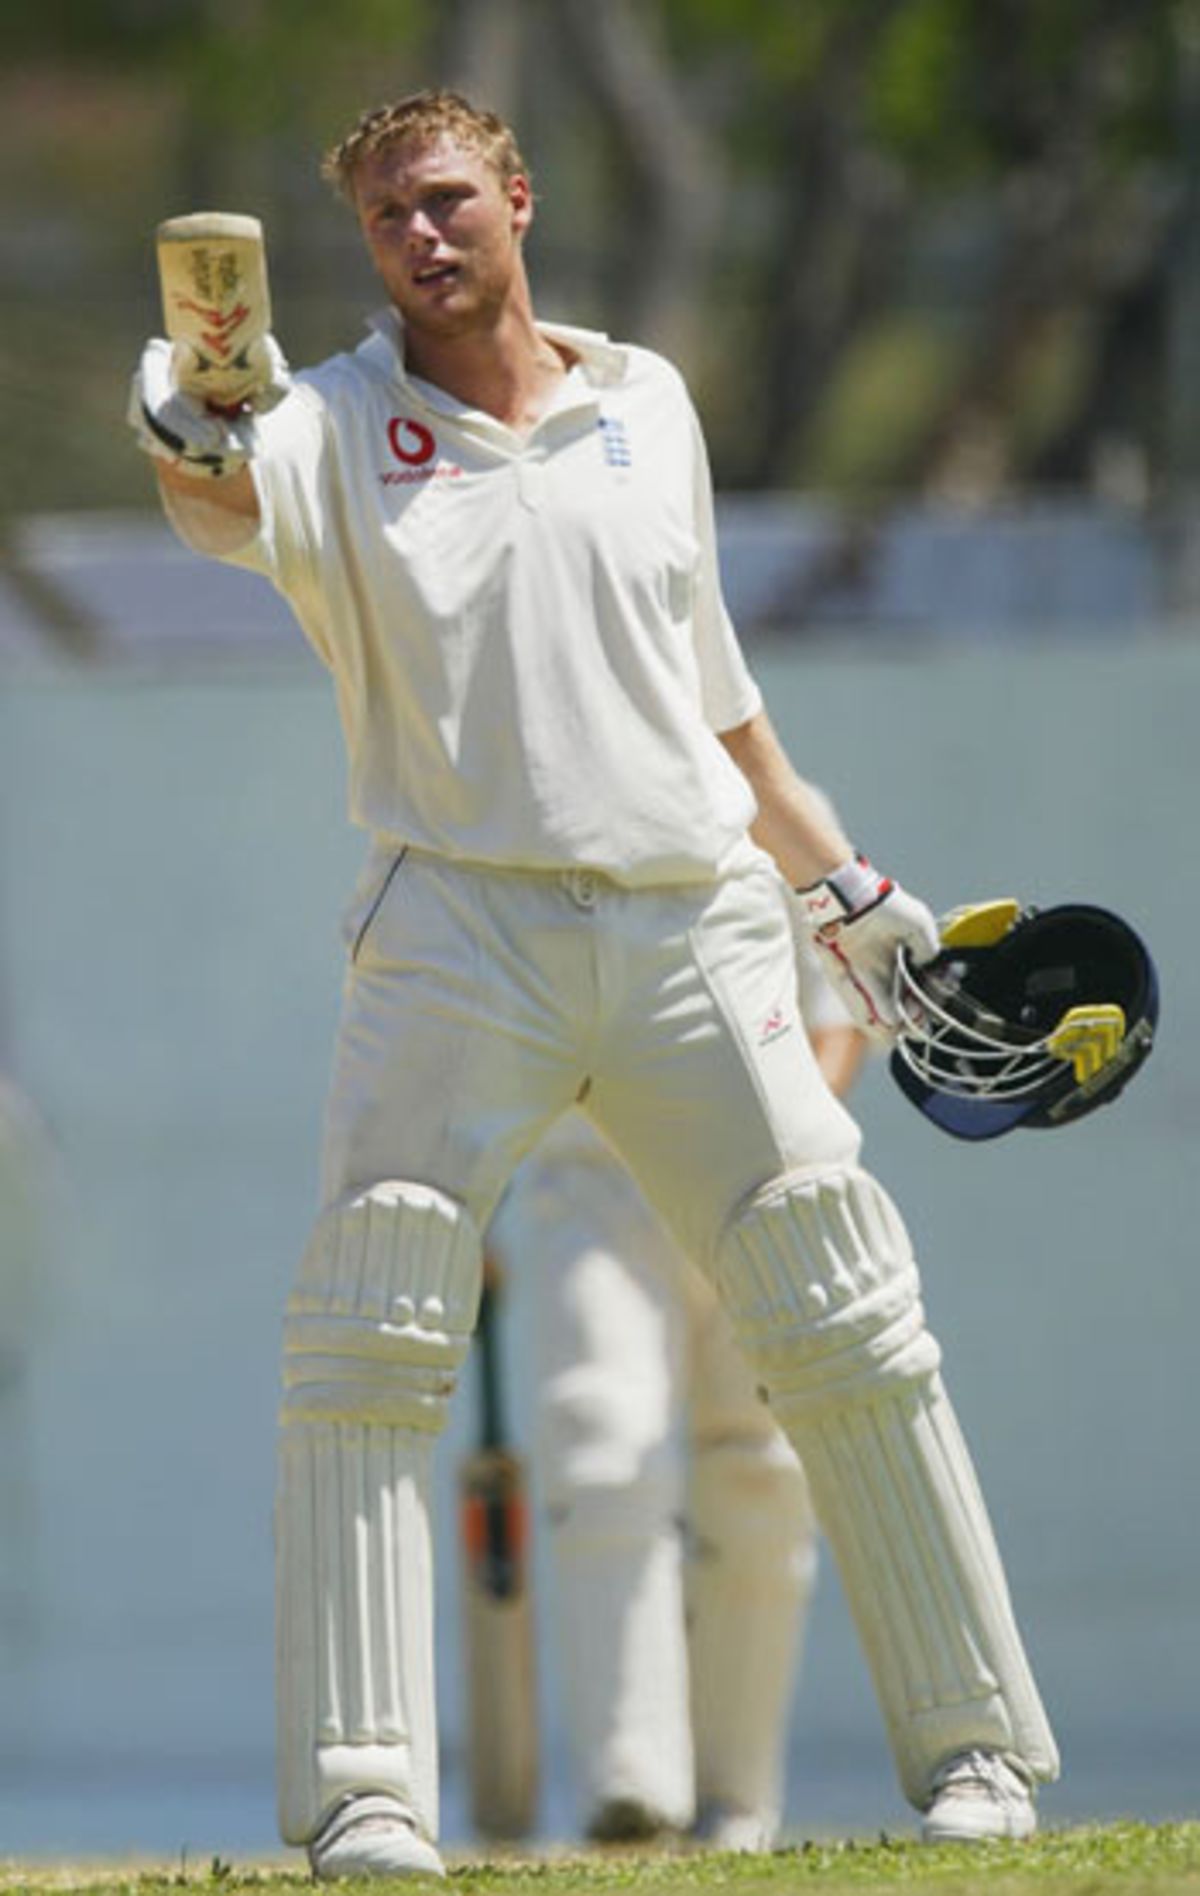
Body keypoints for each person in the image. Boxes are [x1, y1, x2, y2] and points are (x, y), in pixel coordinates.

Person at [128, 88, 1059, 1880]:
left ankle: (979, 1765)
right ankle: (365, 1796)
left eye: (450, 199)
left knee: (846, 1305)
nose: (423, 236)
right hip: (453, 921)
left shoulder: (649, 405)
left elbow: (714, 692)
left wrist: (840, 882)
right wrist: (189, 425)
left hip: (691, 915)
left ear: (519, 199)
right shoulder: (328, 421)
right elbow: (223, 487)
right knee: (372, 1325)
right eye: (391, 214)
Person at [486, 931, 866, 1852]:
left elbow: (836, 1019)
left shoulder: (770, 806)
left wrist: (786, 1141)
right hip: (594, 1182)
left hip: (760, 1173)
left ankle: (736, 1798)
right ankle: (632, 1784)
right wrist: (474, 1202)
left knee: (760, 1469)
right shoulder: (549, 815)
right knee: (604, 1439)